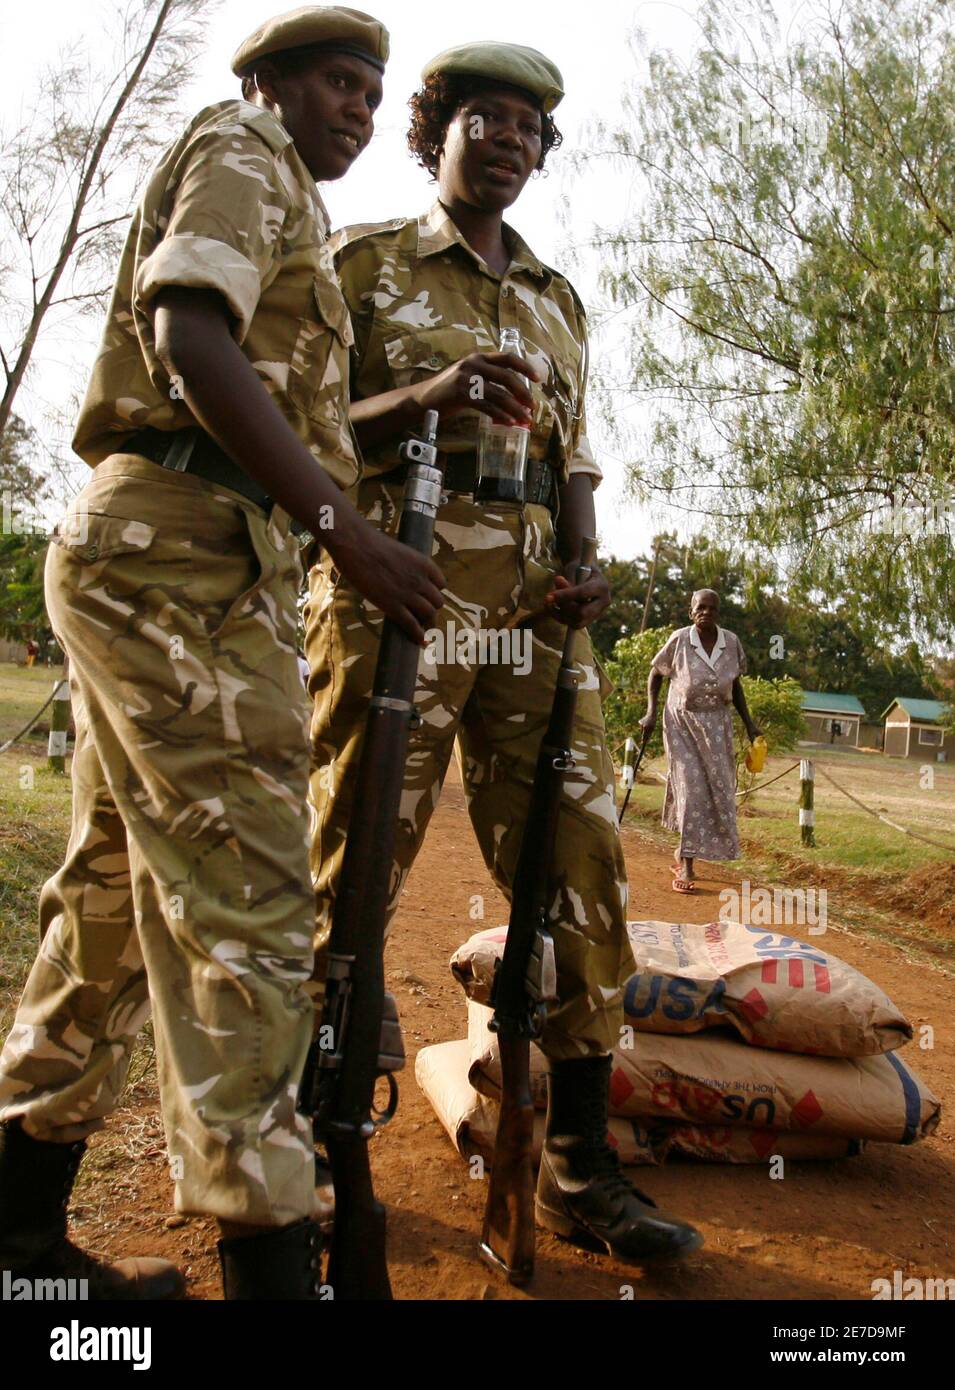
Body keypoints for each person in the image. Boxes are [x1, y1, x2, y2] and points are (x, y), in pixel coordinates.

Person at [0, 6, 444, 1302]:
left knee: (107, 901)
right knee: (251, 901)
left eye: (369, 92)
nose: (354, 110)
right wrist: (344, 533)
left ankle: (21, 1246)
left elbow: (250, 372)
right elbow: (192, 336)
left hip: (183, 548)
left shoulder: (279, 196)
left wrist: (393, 426)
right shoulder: (245, 150)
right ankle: (268, 1262)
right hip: (186, 548)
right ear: (268, 82)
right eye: (333, 83)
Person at [304, 42, 702, 1264]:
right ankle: (318, 1155)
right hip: (399, 593)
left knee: (579, 863)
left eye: (530, 128)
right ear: (437, 132)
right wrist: (426, 392)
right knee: (353, 856)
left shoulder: (558, 299)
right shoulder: (365, 262)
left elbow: (577, 462)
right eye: (484, 118)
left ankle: (579, 1167)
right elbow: (303, 425)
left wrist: (586, 567)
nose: (509, 142)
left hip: (535, 615)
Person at [640, 589, 761, 893]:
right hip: (681, 721)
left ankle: (689, 849)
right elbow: (656, 673)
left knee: (717, 787)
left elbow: (736, 684)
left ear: (718, 613)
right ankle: (687, 862)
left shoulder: (730, 643)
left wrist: (749, 724)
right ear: (690, 611)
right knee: (691, 786)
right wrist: (650, 713)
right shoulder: (680, 639)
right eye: (700, 608)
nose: (706, 612)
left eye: (712, 609)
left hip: (717, 724)